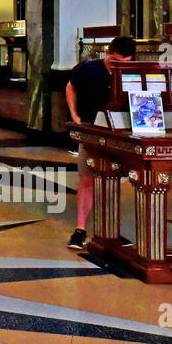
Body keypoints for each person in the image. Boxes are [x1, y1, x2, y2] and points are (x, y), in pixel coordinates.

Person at [64, 35, 137, 250]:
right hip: (92, 131)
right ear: (107, 53)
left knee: (113, 179)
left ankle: (109, 231)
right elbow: (70, 87)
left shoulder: (133, 72)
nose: (119, 67)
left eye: (125, 63)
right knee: (87, 179)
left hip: (121, 133)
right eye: (115, 61)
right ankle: (80, 229)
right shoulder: (89, 70)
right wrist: (75, 116)